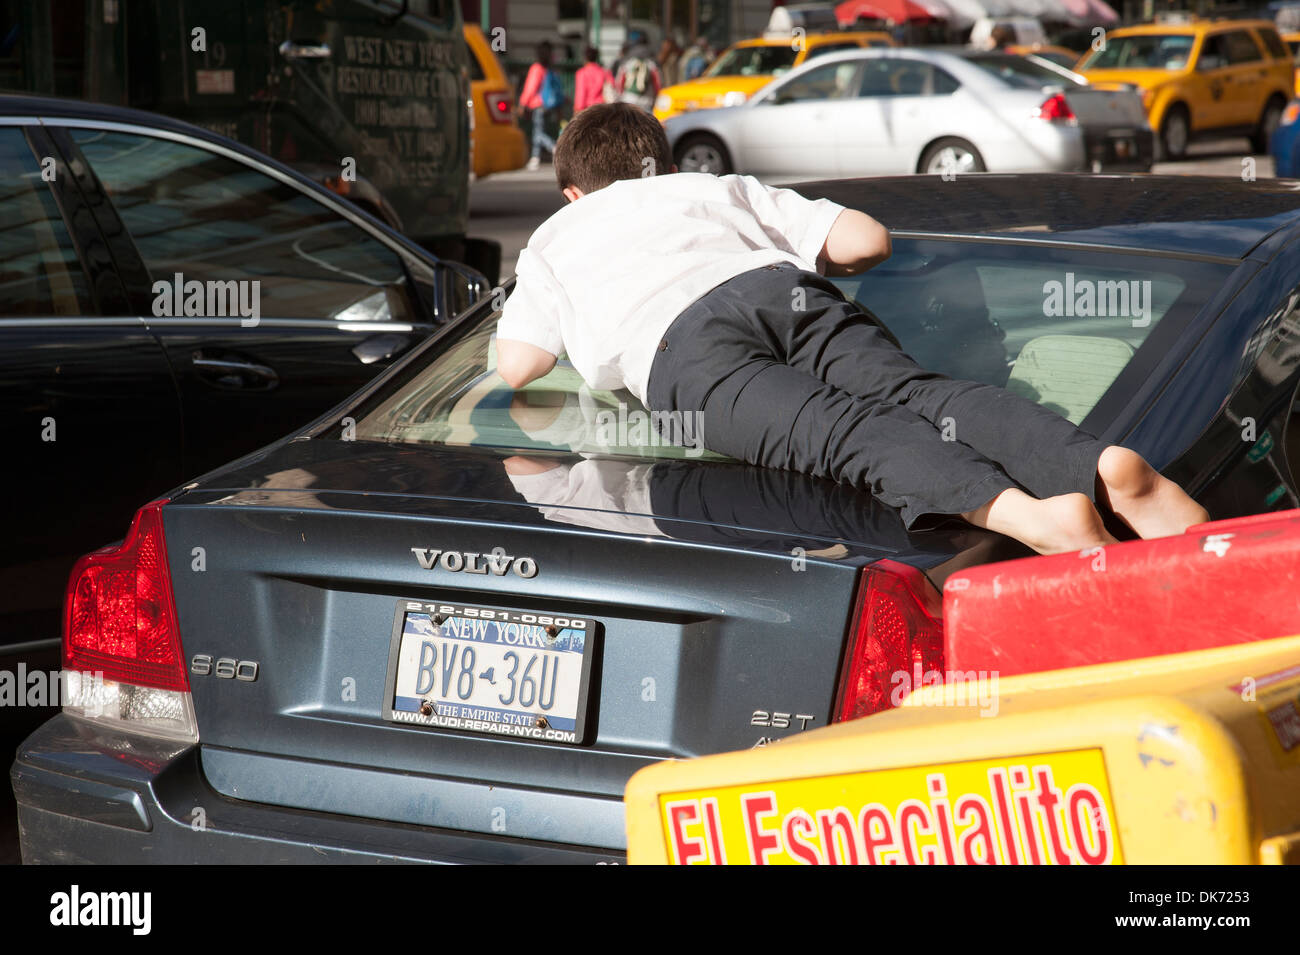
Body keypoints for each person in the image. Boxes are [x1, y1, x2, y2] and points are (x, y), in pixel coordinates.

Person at [493, 104, 1208, 556]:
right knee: (924, 394)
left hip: (682, 352)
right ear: (666, 163)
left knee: (841, 433)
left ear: (571, 191)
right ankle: (1099, 467)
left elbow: (520, 366)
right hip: (780, 289)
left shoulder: (556, 236)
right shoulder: (710, 189)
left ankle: (1036, 518)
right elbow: (869, 241)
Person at [518, 41, 560, 170]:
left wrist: (522, 103)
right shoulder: (549, 69)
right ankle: (535, 157)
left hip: (537, 104)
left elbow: (531, 88)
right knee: (539, 130)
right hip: (548, 105)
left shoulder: (536, 68)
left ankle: (555, 148)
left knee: (538, 132)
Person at [614, 32, 661, 112]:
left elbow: (619, 83)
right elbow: (657, 84)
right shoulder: (651, 64)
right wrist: (655, 98)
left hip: (629, 100)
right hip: (647, 101)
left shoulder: (627, 62)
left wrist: (621, 97)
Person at [573, 46, 615, 112]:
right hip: (604, 108)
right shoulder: (605, 72)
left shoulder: (582, 73)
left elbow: (581, 94)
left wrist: (578, 109)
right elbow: (612, 88)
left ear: (585, 58)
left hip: (588, 109)